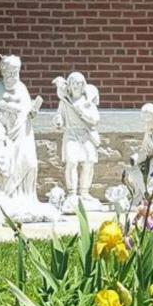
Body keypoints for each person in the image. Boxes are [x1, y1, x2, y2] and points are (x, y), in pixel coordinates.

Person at [0, 55, 42, 202]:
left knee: (30, 163)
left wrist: (32, 112)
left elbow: (28, 110)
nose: (12, 75)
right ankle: (7, 196)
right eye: (8, 71)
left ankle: (25, 197)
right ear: (2, 71)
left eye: (15, 71)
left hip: (23, 132)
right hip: (4, 135)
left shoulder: (22, 88)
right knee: (6, 167)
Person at [54, 72, 102, 211]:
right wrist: (58, 121)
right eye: (74, 83)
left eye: (79, 83)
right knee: (72, 162)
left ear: (83, 85)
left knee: (88, 163)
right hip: (71, 134)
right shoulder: (64, 102)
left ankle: (85, 192)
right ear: (69, 85)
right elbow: (59, 116)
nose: (76, 86)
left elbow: (95, 119)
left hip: (85, 134)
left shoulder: (87, 102)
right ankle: (72, 193)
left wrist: (83, 113)